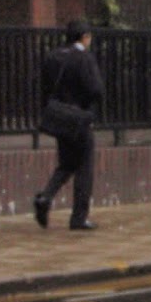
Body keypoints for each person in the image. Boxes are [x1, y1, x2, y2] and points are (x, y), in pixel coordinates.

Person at [34, 20, 105, 231]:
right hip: (79, 118)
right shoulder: (83, 58)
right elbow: (96, 90)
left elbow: (45, 87)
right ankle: (79, 218)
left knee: (66, 164)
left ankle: (45, 198)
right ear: (84, 37)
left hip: (59, 117)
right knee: (84, 167)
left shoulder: (53, 56)